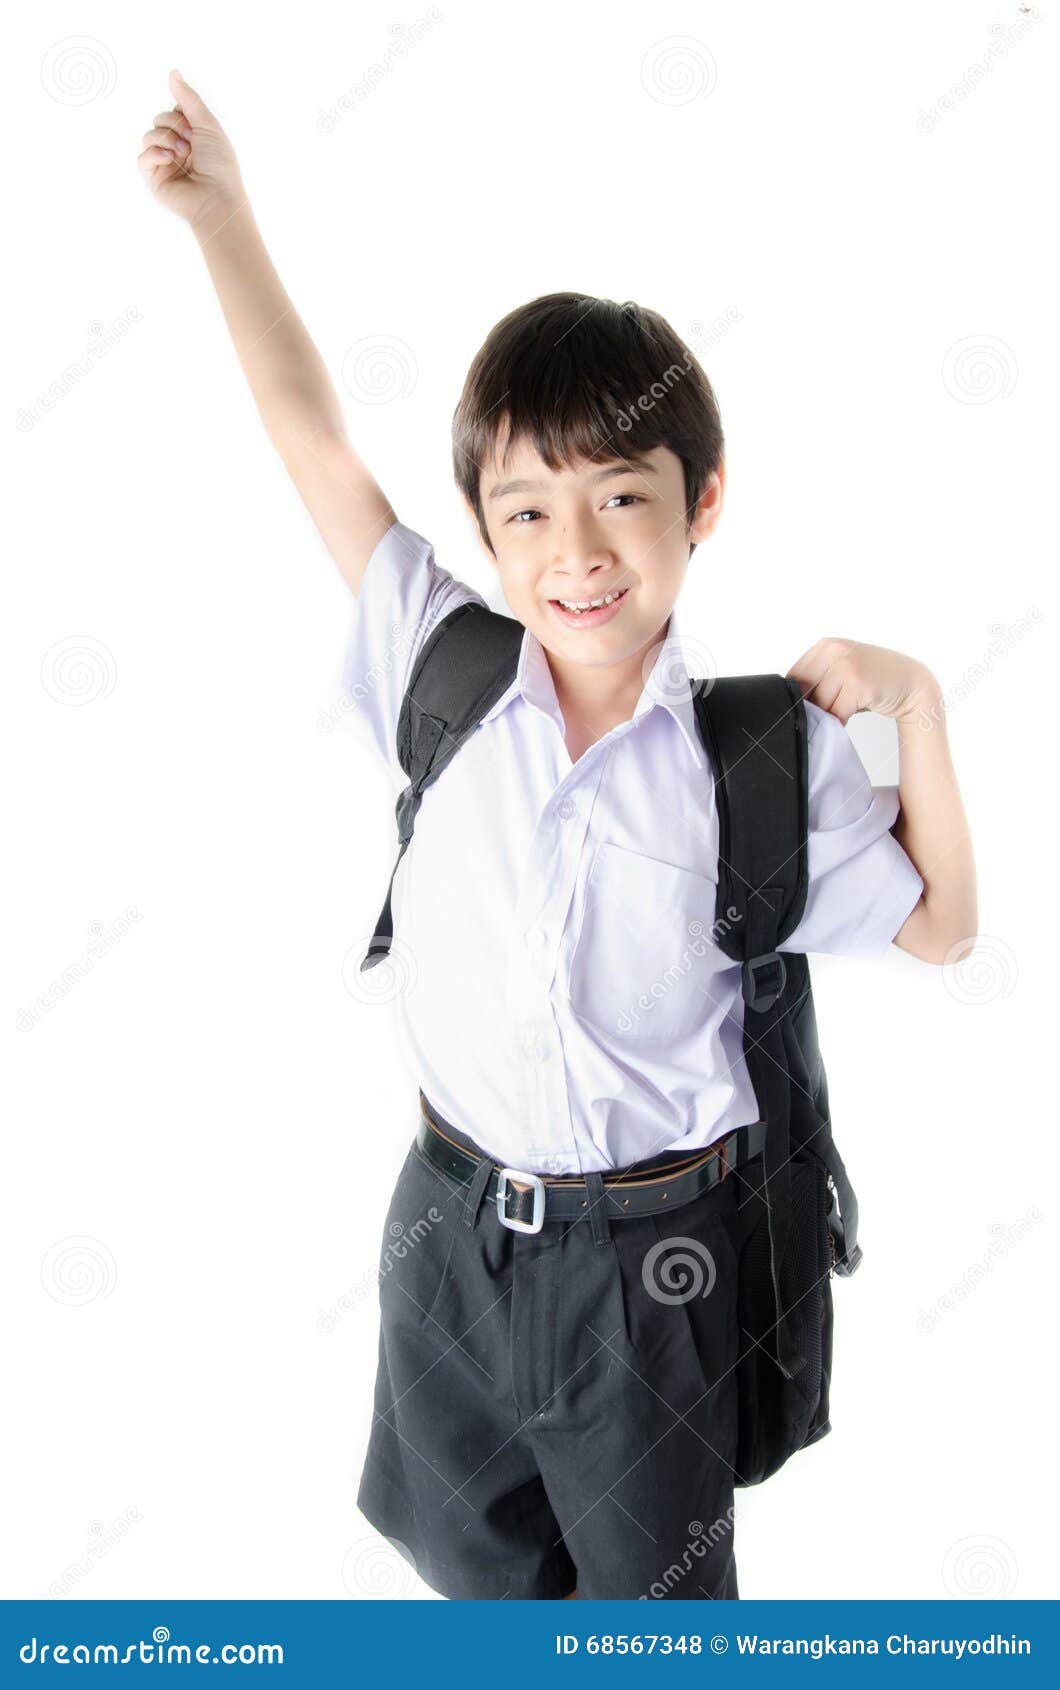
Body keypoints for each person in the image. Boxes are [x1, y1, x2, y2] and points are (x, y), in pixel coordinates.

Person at [139, 71, 978, 1601]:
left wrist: (918, 703)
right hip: (448, 1228)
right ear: (481, 529)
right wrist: (225, 218)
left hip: (649, 1271)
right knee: (468, 1567)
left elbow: (942, 924)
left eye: (620, 498)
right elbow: (307, 430)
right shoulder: (439, 664)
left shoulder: (753, 755)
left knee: (657, 1610)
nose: (576, 553)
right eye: (526, 511)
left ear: (700, 501)